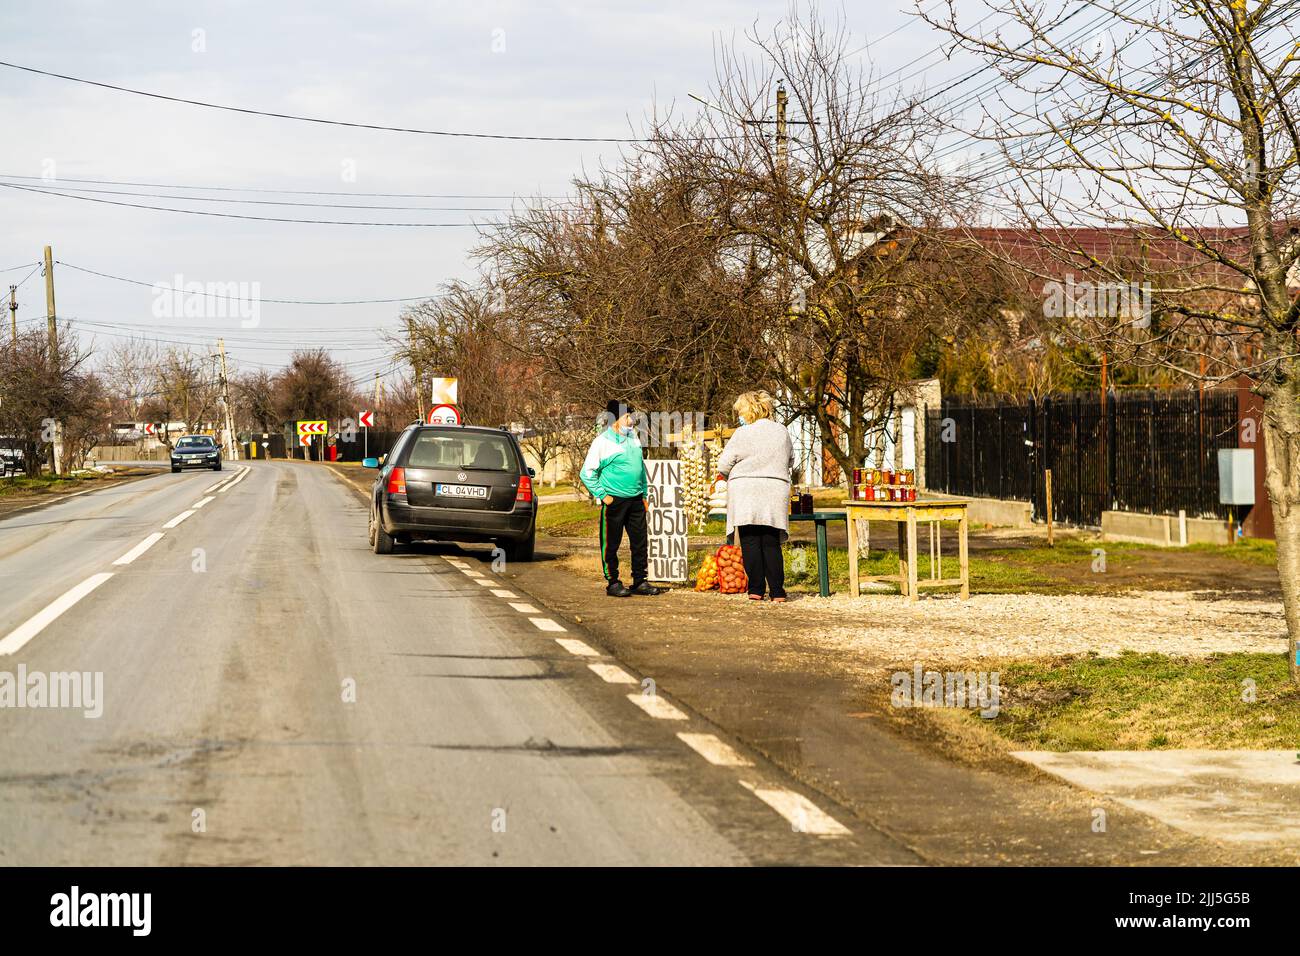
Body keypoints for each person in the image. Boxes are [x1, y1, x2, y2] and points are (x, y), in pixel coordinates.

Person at [715, 390, 795, 602]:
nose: (739, 416)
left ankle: (756, 589)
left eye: (740, 411)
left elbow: (724, 464)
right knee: (770, 540)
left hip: (746, 491)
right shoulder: (781, 431)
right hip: (774, 490)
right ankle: (777, 591)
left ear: (749, 411)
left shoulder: (742, 433)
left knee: (750, 540)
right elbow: (790, 459)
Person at [579, 401, 665, 598]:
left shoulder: (633, 438)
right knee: (611, 543)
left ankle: (640, 581)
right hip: (614, 501)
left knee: (640, 542)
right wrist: (602, 495)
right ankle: (613, 582)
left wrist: (644, 494)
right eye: (627, 416)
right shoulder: (602, 442)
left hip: (636, 500)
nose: (631, 420)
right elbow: (586, 473)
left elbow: (640, 469)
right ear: (615, 420)